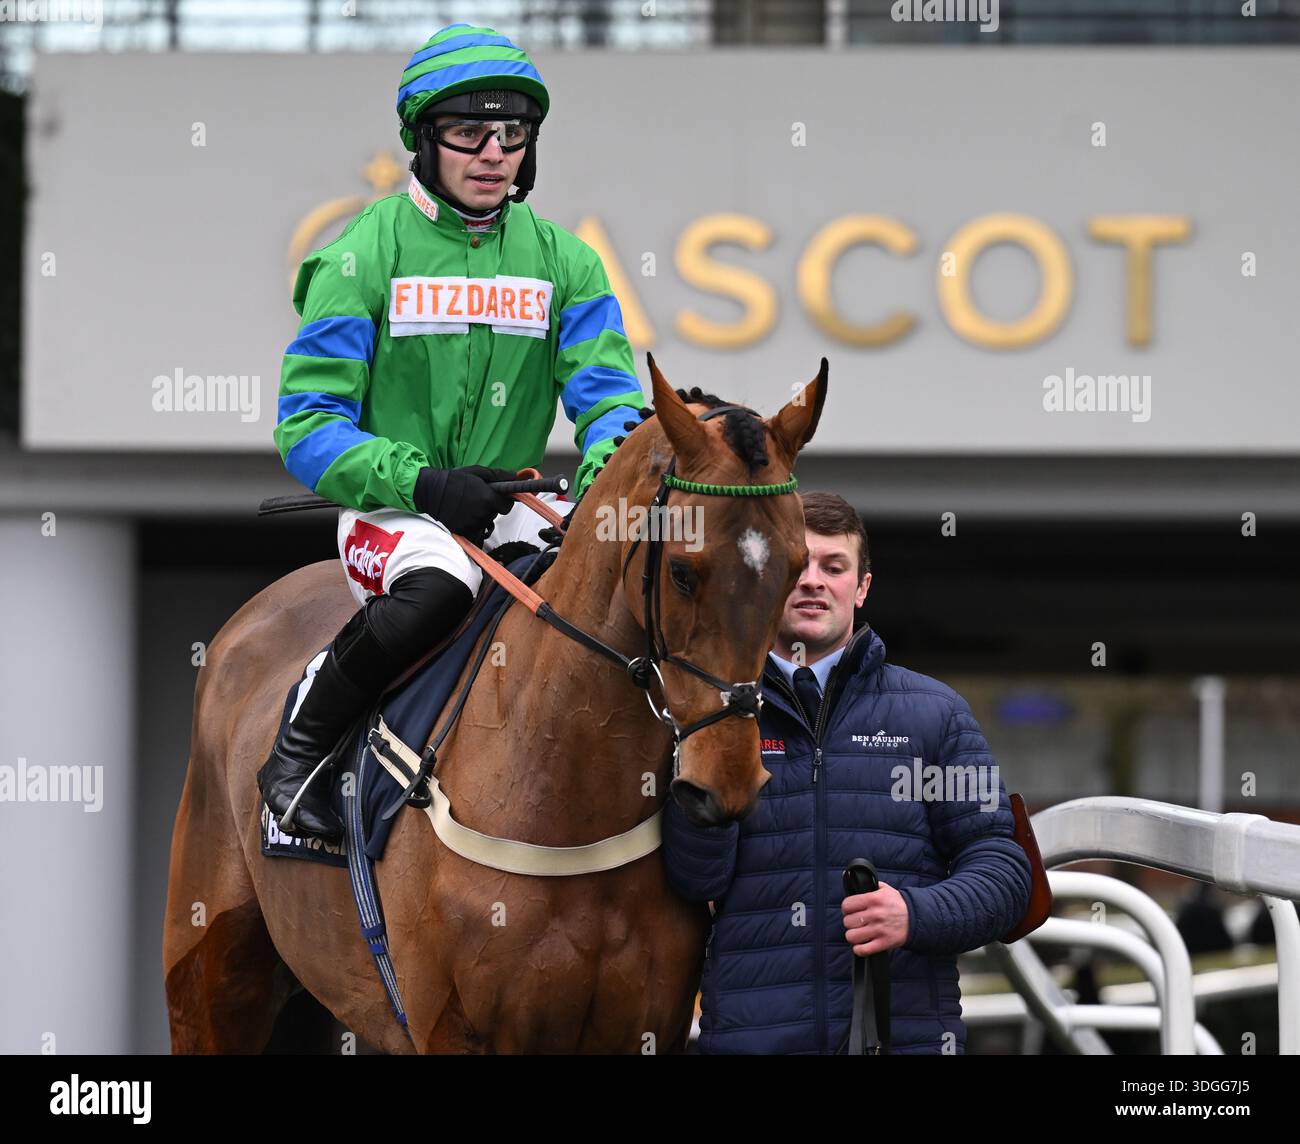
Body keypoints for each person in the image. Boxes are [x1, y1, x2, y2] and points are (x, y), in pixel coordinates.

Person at [258, 23, 644, 843]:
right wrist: (423, 484)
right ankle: (298, 754)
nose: (494, 152)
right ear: (422, 142)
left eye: (513, 134)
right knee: (437, 588)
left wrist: (614, 467)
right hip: (393, 511)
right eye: (469, 133)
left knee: (627, 588)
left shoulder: (568, 263)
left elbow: (608, 399)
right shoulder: (363, 254)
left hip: (513, 500)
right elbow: (307, 427)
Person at [662, 491, 1032, 1054]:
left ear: (861, 587)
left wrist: (914, 913)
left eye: (833, 567)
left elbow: (1005, 874)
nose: (813, 581)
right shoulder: (708, 712)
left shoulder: (936, 714)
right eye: (797, 565)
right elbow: (694, 882)